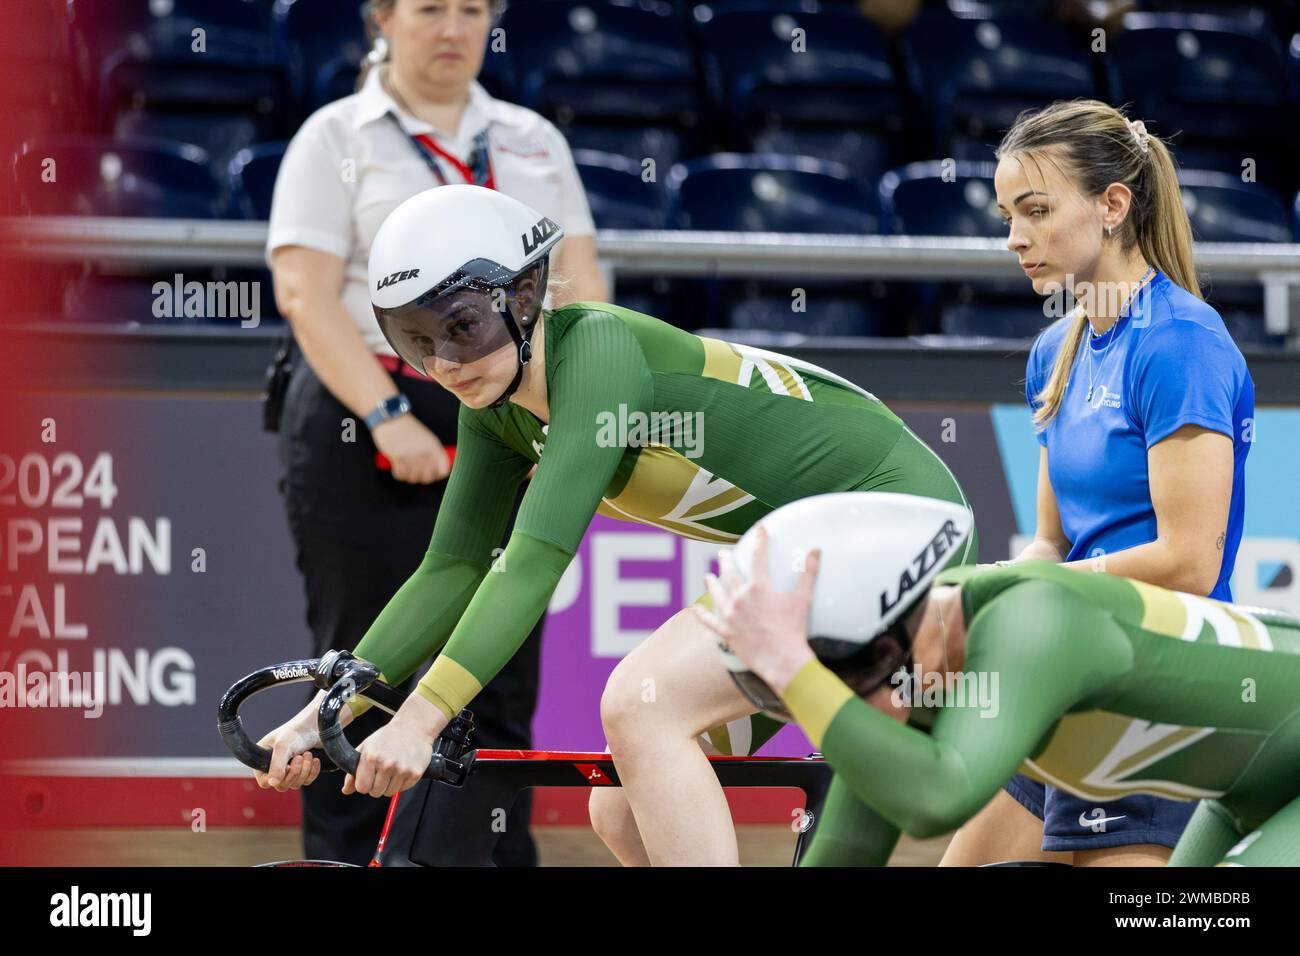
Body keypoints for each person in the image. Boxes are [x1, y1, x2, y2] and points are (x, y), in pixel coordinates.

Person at [253, 183, 979, 866]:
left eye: (462, 327)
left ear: (526, 295)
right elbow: (451, 568)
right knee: (623, 807)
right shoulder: (497, 409)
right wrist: (329, 710)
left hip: (899, 525)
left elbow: (532, 562)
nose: (444, 363)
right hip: (819, 550)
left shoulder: (597, 348)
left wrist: (422, 718)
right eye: (415, 341)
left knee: (638, 706)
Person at [265, 0, 605, 865]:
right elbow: (305, 294)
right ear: (383, 18)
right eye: (428, 8)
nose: (452, 27)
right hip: (364, 411)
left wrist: (566, 421)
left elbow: (584, 288)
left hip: (512, 406)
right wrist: (384, 419)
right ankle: (344, 863)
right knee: (359, 667)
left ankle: (486, 858)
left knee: (500, 671)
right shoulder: (333, 137)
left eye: (470, 8)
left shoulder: (533, 137)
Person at [944, 99, 1255, 867]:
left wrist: (1026, 596)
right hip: (1074, 669)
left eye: (1038, 210)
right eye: (1009, 214)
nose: (1016, 237)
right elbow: (1053, 541)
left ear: (1114, 205)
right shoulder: (1054, 351)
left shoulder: (1180, 343)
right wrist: (976, 596)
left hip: (1154, 678)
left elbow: (1189, 563)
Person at [697, 492, 1300, 867]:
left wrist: (792, 670)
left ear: (884, 646)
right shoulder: (909, 672)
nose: (845, 721)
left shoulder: (1031, 621)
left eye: (835, 692)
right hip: (1241, 800)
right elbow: (848, 853)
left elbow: (938, 798)